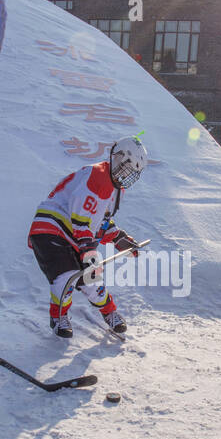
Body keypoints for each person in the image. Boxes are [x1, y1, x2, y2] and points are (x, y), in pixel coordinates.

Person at [28, 137, 147, 338]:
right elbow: (80, 217)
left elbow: (99, 223)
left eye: (130, 173)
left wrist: (118, 238)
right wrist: (86, 247)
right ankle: (58, 318)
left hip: (74, 238)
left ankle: (110, 313)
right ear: (115, 158)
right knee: (66, 277)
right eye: (124, 168)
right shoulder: (97, 175)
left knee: (92, 280)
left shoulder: (116, 191)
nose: (125, 175)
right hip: (50, 229)